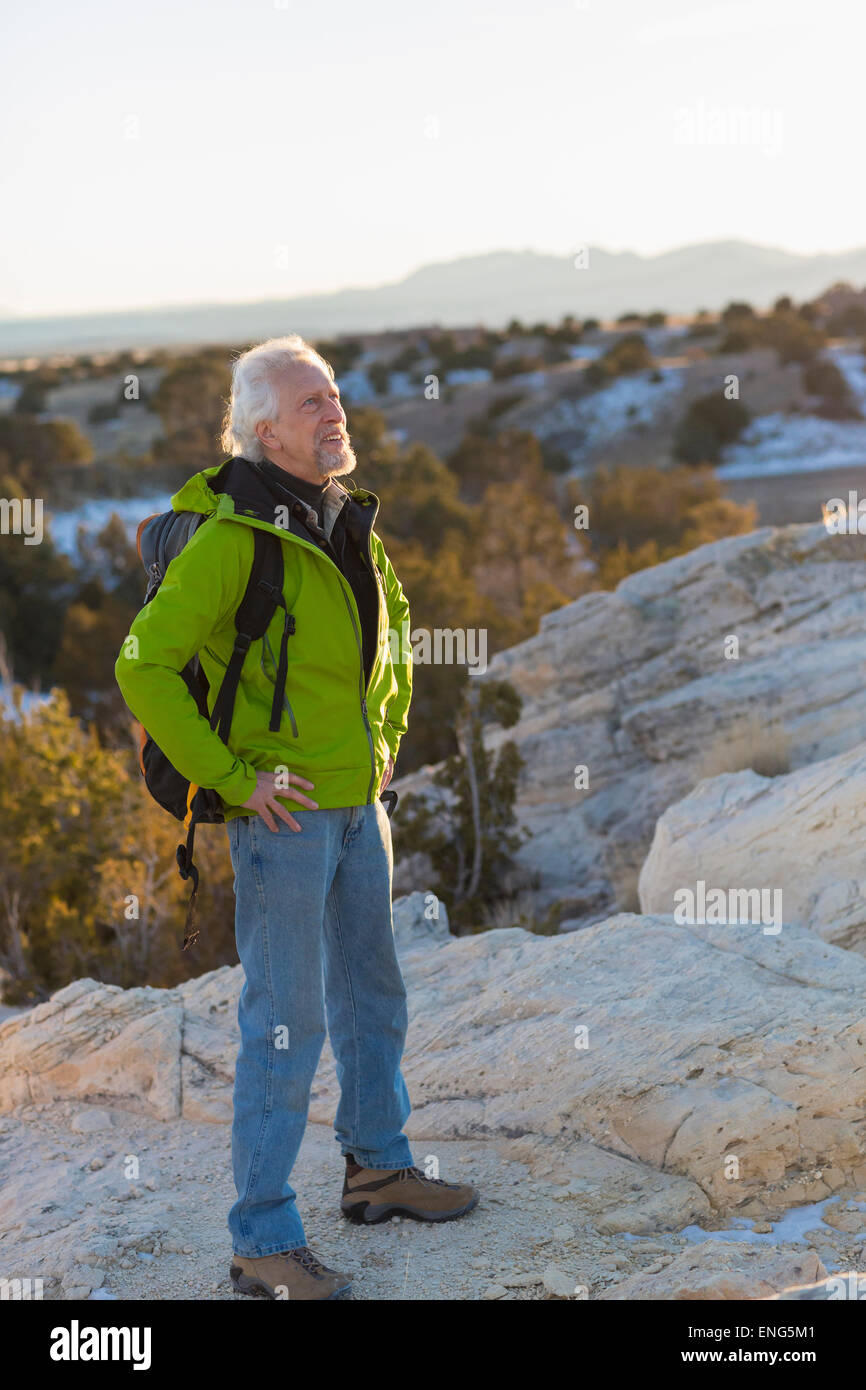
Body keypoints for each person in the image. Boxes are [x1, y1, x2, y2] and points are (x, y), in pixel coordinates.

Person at [115, 335, 478, 1302]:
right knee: (287, 1022)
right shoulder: (235, 535)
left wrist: (387, 732)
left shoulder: (344, 519)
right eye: (313, 402)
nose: (335, 413)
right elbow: (142, 666)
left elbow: (392, 633)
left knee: (374, 995)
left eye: (336, 398)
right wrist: (234, 781)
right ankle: (262, 1239)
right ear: (263, 428)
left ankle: (378, 1167)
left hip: (361, 802)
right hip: (282, 818)